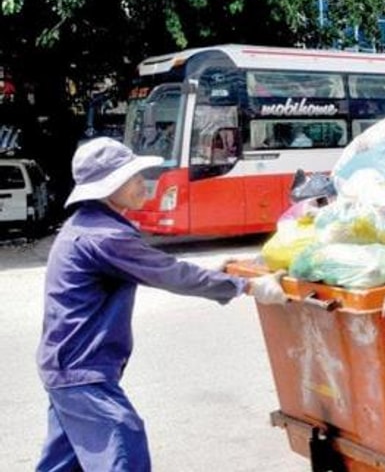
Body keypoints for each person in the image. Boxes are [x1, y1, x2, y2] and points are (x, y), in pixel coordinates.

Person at [36, 138, 288, 471]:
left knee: (61, 465)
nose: (143, 182)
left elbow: (155, 269)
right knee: (124, 447)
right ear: (107, 187)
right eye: (132, 177)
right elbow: (169, 274)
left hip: (65, 367)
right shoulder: (105, 236)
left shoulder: (88, 226)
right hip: (82, 371)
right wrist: (247, 286)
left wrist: (212, 273)